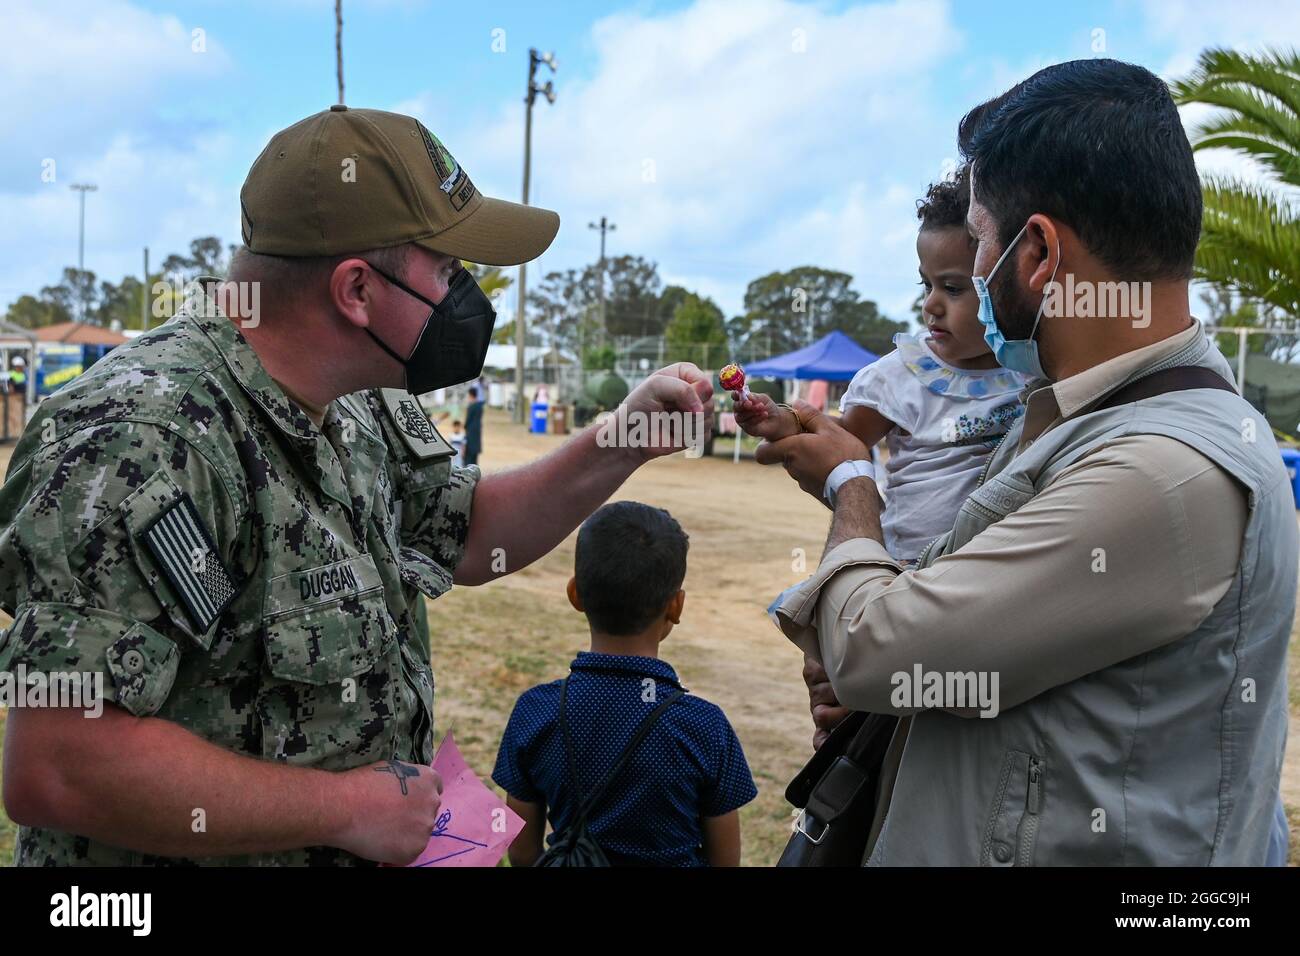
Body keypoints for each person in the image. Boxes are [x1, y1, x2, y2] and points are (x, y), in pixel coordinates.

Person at [0, 106, 714, 867]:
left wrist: (621, 442)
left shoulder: (359, 392)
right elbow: (61, 764)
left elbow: (467, 534)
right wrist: (343, 810)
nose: (468, 296)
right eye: (446, 271)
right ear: (356, 292)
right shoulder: (144, 439)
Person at [762, 59, 1295, 865]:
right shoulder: (1072, 416)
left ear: (1038, 252)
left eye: (978, 241)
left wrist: (852, 490)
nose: (971, 275)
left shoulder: (1164, 469)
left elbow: (881, 650)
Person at [736, 167, 1026, 566]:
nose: (931, 304)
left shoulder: (1031, 368)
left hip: (1000, 565)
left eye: (954, 288)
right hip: (910, 566)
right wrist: (785, 420)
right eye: (926, 285)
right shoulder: (900, 376)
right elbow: (839, 439)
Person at [493, 501, 757, 866]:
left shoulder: (535, 711)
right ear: (676, 607)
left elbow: (522, 852)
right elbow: (725, 861)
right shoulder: (704, 727)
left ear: (575, 595)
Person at [464, 385, 484, 466]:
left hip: (471, 431)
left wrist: (464, 426)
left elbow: (468, 420)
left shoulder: (471, 406)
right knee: (475, 455)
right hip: (478, 430)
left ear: (470, 395)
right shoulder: (480, 406)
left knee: (468, 455)